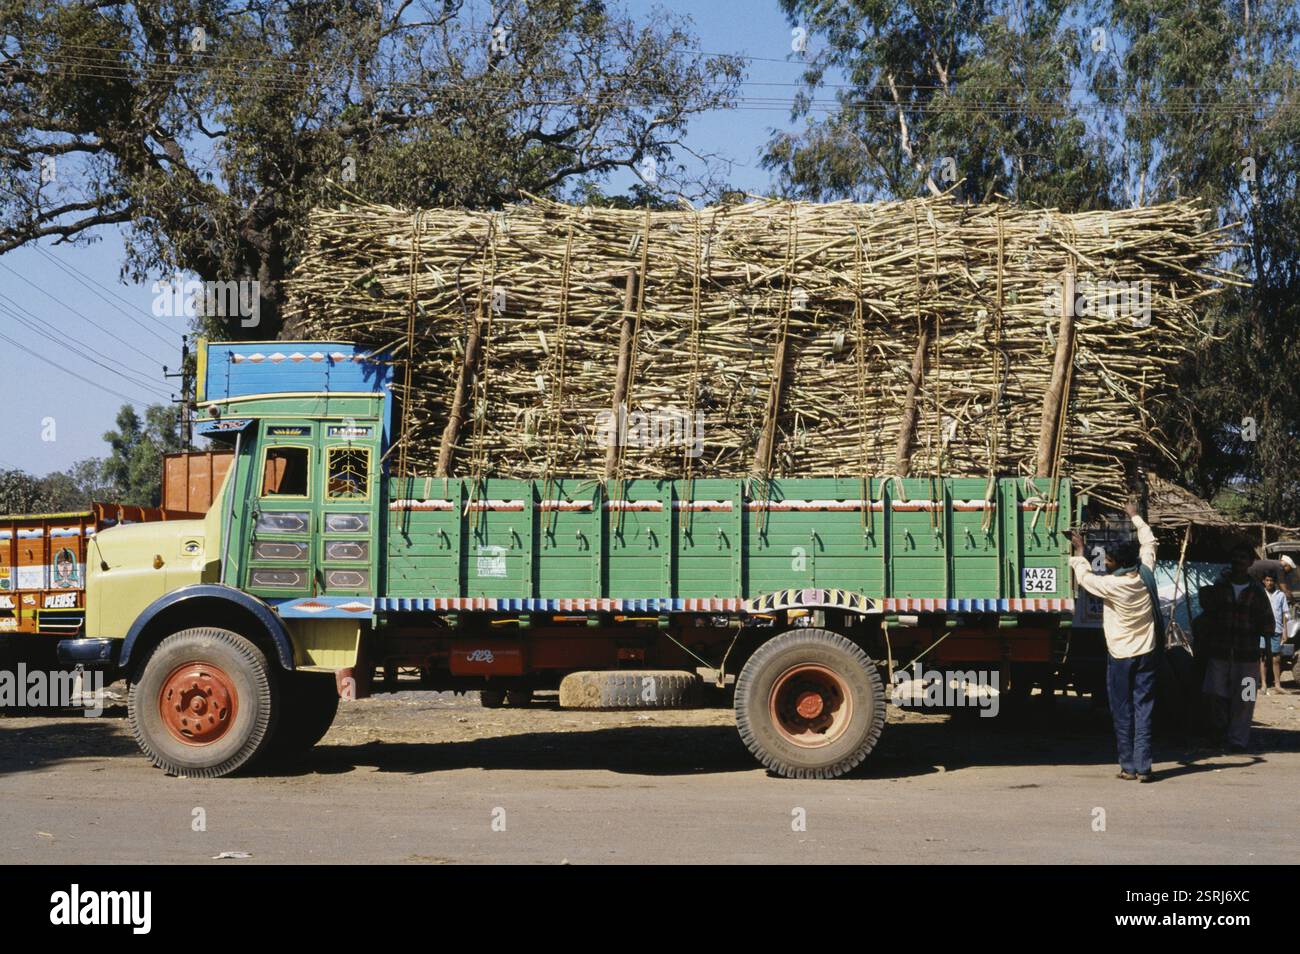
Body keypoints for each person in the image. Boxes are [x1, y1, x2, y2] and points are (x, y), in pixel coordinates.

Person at [1070, 502, 1161, 782]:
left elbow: (1084, 578)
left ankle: (1128, 767)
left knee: (1122, 710)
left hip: (1122, 655)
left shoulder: (1112, 585)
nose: (1105, 562)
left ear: (1117, 563)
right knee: (1143, 708)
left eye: (1108, 559)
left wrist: (1080, 553)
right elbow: (1150, 541)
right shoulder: (1145, 572)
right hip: (1147, 651)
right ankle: (1143, 767)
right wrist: (1135, 517)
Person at [1199, 543, 1276, 752]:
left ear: (1250, 562)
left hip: (1249, 656)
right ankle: (1218, 734)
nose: (1238, 561)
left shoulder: (1258, 592)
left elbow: (1269, 624)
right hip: (1219, 653)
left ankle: (1238, 741)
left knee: (1247, 697)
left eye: (1243, 557)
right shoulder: (1219, 587)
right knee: (1214, 695)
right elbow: (1207, 615)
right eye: (1235, 557)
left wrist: (1265, 651)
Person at [1262, 573, 1290, 692]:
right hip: (1261, 630)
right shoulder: (1260, 594)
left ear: (1274, 582)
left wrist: (1285, 631)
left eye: (1271, 580)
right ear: (1264, 581)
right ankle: (1263, 684)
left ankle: (1277, 685)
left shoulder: (1281, 595)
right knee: (1262, 657)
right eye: (1267, 580)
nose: (1269, 582)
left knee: (1276, 658)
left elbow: (1285, 613)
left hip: (1277, 629)